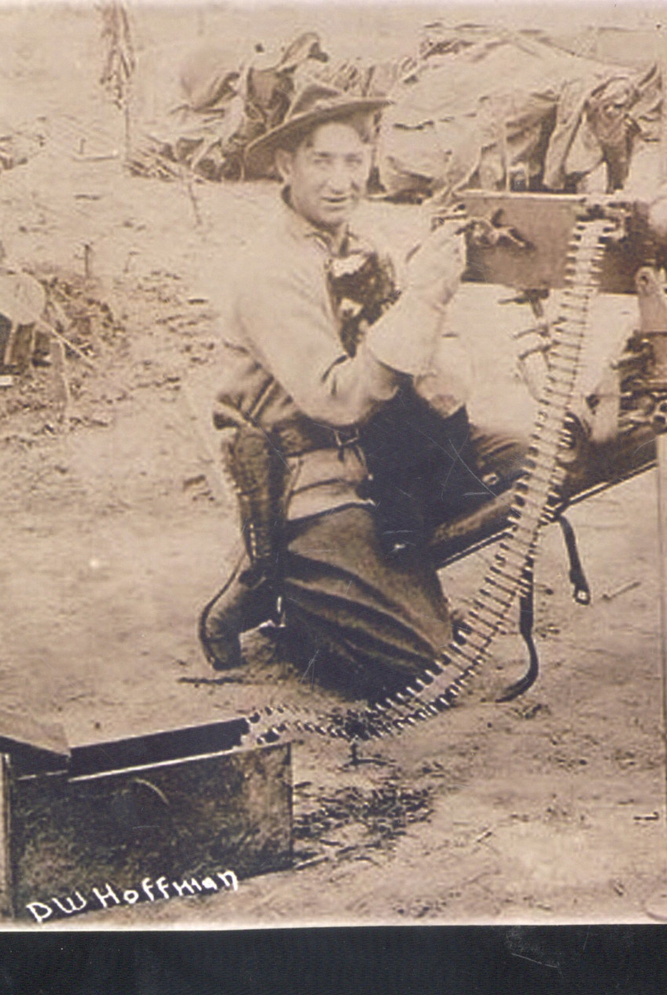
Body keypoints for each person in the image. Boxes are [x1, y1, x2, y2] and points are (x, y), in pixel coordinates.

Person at [198, 82, 527, 701]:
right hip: (305, 474)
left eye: (354, 161)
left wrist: (434, 339)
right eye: (321, 161)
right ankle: (285, 590)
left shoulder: (367, 247)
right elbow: (338, 398)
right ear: (285, 165)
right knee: (426, 664)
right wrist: (425, 298)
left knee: (537, 464)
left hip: (383, 455)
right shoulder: (269, 269)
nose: (339, 181)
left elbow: (425, 364)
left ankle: (382, 572)